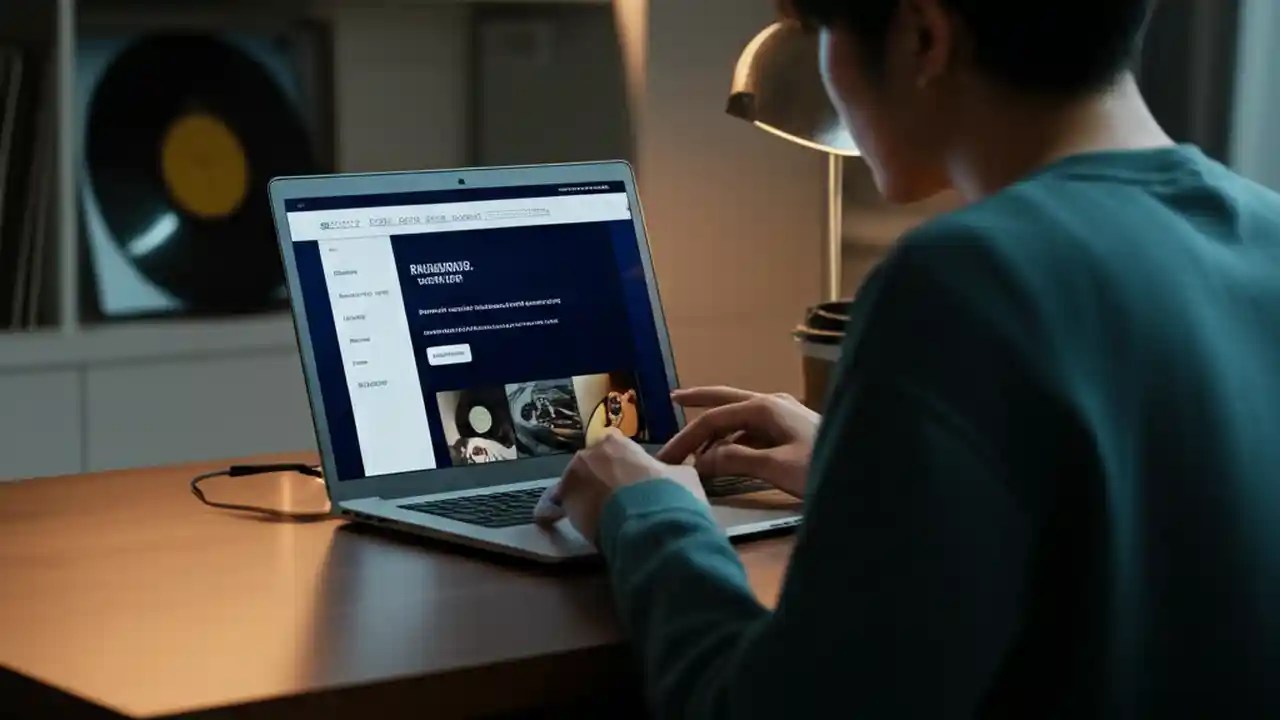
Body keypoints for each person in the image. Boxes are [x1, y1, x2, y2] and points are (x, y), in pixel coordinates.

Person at [535, 0, 1280, 715]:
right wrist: (868, 466)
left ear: (923, 37)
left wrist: (647, 512)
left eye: (819, 30)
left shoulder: (965, 280)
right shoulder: (1265, 234)